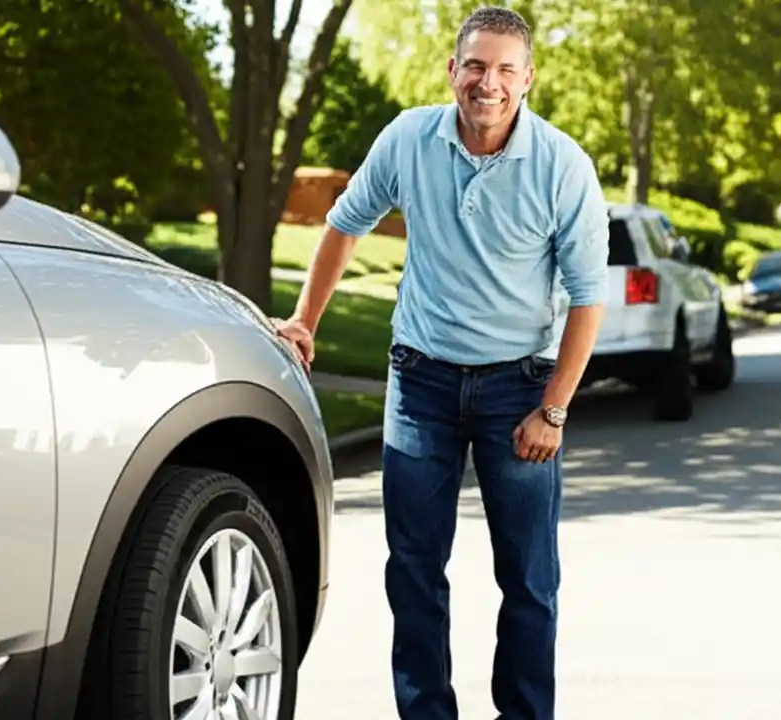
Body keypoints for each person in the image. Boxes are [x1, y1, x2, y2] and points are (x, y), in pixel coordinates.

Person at [271, 6, 608, 718]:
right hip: (420, 382)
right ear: (453, 71)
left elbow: (586, 300)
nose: (489, 83)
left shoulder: (561, 167)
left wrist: (554, 407)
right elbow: (342, 225)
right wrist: (306, 320)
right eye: (476, 66)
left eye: (505, 70)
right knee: (415, 572)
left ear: (528, 80)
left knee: (528, 578)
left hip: (519, 391)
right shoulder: (408, 138)